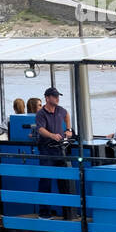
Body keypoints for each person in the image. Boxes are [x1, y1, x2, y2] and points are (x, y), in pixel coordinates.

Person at [35, 87, 73, 219]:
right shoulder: (41, 113)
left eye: (58, 96)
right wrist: (52, 135)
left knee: (64, 180)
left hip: (60, 150)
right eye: (55, 96)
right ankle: (44, 213)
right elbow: (40, 129)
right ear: (47, 98)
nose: (57, 98)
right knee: (46, 181)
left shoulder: (60, 110)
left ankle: (68, 212)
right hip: (46, 150)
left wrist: (68, 129)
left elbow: (67, 115)